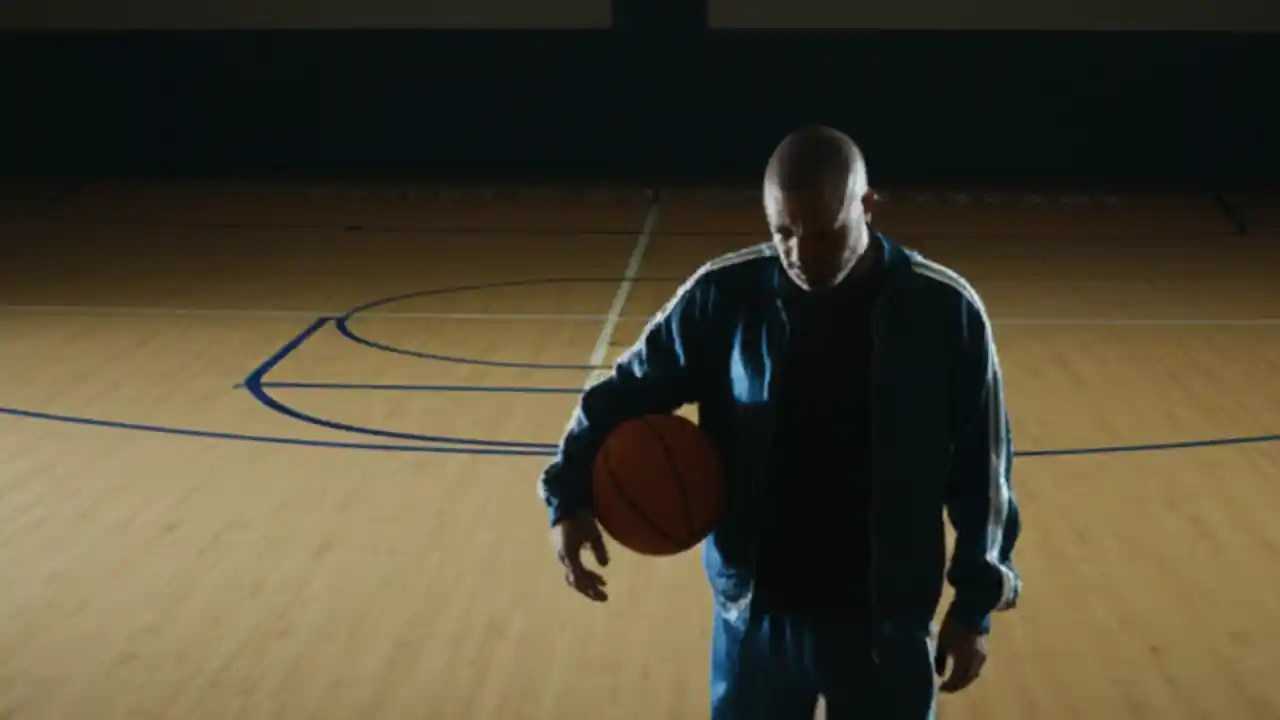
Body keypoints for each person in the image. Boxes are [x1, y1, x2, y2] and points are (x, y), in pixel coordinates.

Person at [538, 125, 1021, 719]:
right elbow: (621, 394)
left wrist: (974, 608)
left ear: (868, 206)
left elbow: (984, 471)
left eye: (825, 233)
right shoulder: (721, 296)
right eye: (783, 232)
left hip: (886, 626)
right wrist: (569, 496)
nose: (802, 254)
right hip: (756, 619)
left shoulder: (946, 311)